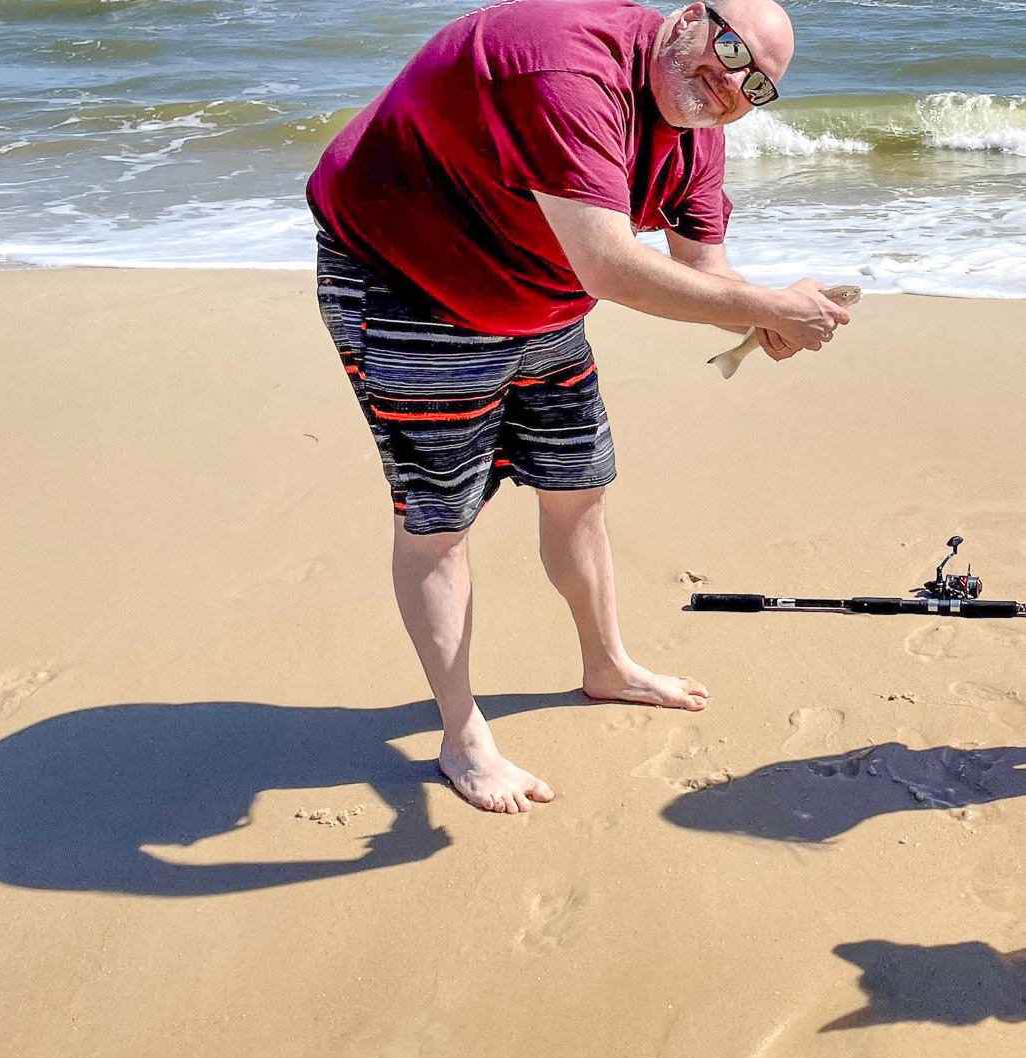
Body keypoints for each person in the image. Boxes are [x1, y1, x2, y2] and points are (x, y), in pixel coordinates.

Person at [307, 0, 851, 814]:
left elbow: (704, 263)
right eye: (727, 47)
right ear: (690, 16)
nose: (728, 83)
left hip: (540, 300)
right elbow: (610, 265)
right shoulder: (565, 63)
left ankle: (607, 665)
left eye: (755, 86)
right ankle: (461, 735)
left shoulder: (701, 129)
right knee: (440, 526)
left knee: (579, 488)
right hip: (410, 283)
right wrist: (763, 308)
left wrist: (759, 310)